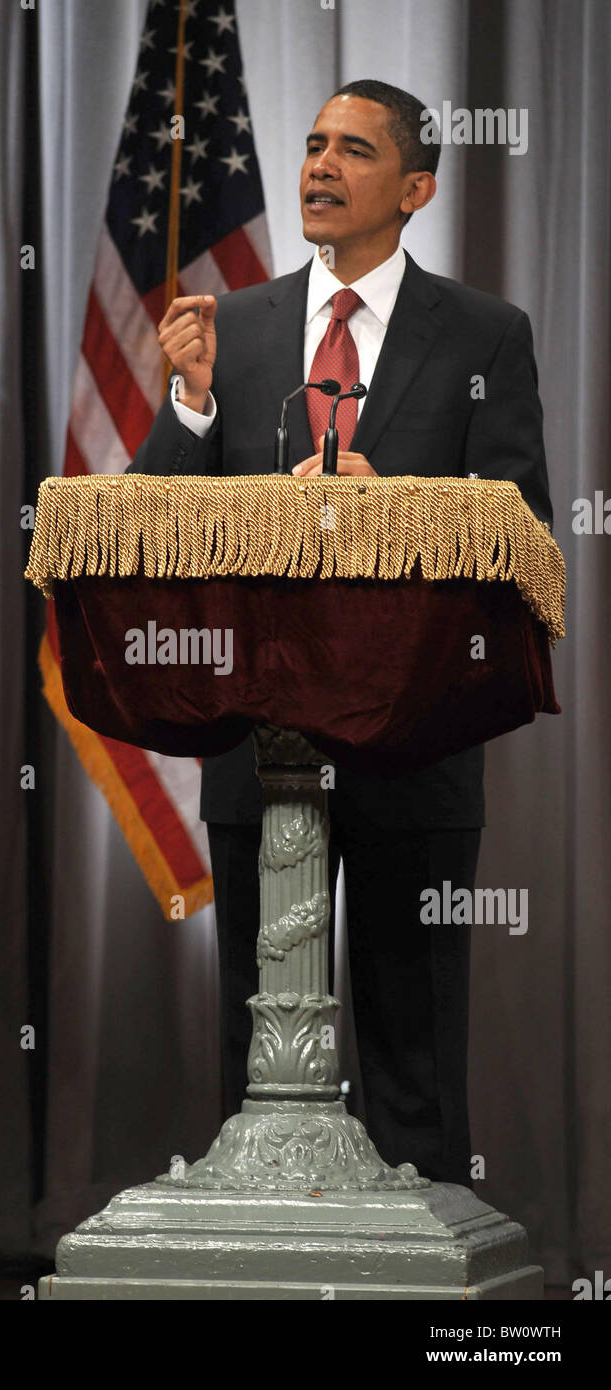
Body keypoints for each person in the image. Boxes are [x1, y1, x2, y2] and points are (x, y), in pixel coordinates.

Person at [128, 79, 552, 1187]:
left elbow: (524, 539)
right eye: (313, 145)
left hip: (415, 744)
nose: (319, 165)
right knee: (255, 1043)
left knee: (414, 1052)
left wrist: (396, 503)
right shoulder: (237, 325)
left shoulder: (486, 335)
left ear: (415, 188)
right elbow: (155, 529)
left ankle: (422, 1273)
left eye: (353, 151)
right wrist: (192, 407)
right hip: (258, 748)